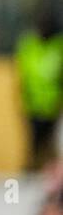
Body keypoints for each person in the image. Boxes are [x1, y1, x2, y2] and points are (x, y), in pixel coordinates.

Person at [15, 12, 63, 169]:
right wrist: (22, 98)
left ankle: (51, 178)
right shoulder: (28, 45)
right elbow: (22, 74)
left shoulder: (58, 46)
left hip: (54, 106)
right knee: (33, 143)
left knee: (51, 145)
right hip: (32, 105)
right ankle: (30, 170)